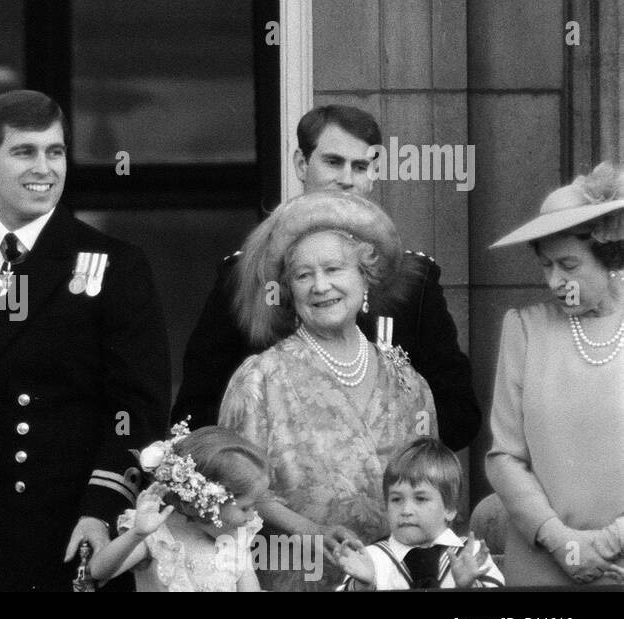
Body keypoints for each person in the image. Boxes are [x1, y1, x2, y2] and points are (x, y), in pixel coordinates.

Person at [0, 90, 171, 591]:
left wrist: (102, 510)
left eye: (55, 152)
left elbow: (137, 408)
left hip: (69, 527)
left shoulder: (113, 264)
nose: (45, 167)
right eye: (24, 152)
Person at [173, 105, 478, 451]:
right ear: (302, 164)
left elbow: (460, 418)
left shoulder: (412, 280)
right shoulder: (248, 275)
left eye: (360, 166)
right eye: (333, 162)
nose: (346, 178)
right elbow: (195, 415)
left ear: (374, 174)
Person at [219, 191, 438, 591]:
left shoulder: (409, 385)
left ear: (365, 275)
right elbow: (232, 492)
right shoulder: (259, 379)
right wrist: (310, 530)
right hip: (295, 579)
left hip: (391, 580)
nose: (320, 286)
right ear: (288, 289)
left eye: (334, 269)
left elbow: (434, 493)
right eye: (303, 275)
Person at [486, 162, 624, 586]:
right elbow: (505, 457)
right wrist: (562, 542)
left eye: (568, 264)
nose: (554, 281)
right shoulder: (525, 328)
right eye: (546, 266)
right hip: (543, 566)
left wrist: (604, 543)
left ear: (612, 259)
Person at [88, 425, 267, 592]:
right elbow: (98, 571)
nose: (252, 517)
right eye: (245, 508)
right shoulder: (158, 537)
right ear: (207, 501)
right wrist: (137, 533)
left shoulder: (236, 541)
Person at [337, 437, 503, 590]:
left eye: (420, 499)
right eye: (396, 499)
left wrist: (468, 586)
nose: (406, 510)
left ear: (450, 509)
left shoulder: (471, 555)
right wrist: (362, 585)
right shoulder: (371, 558)